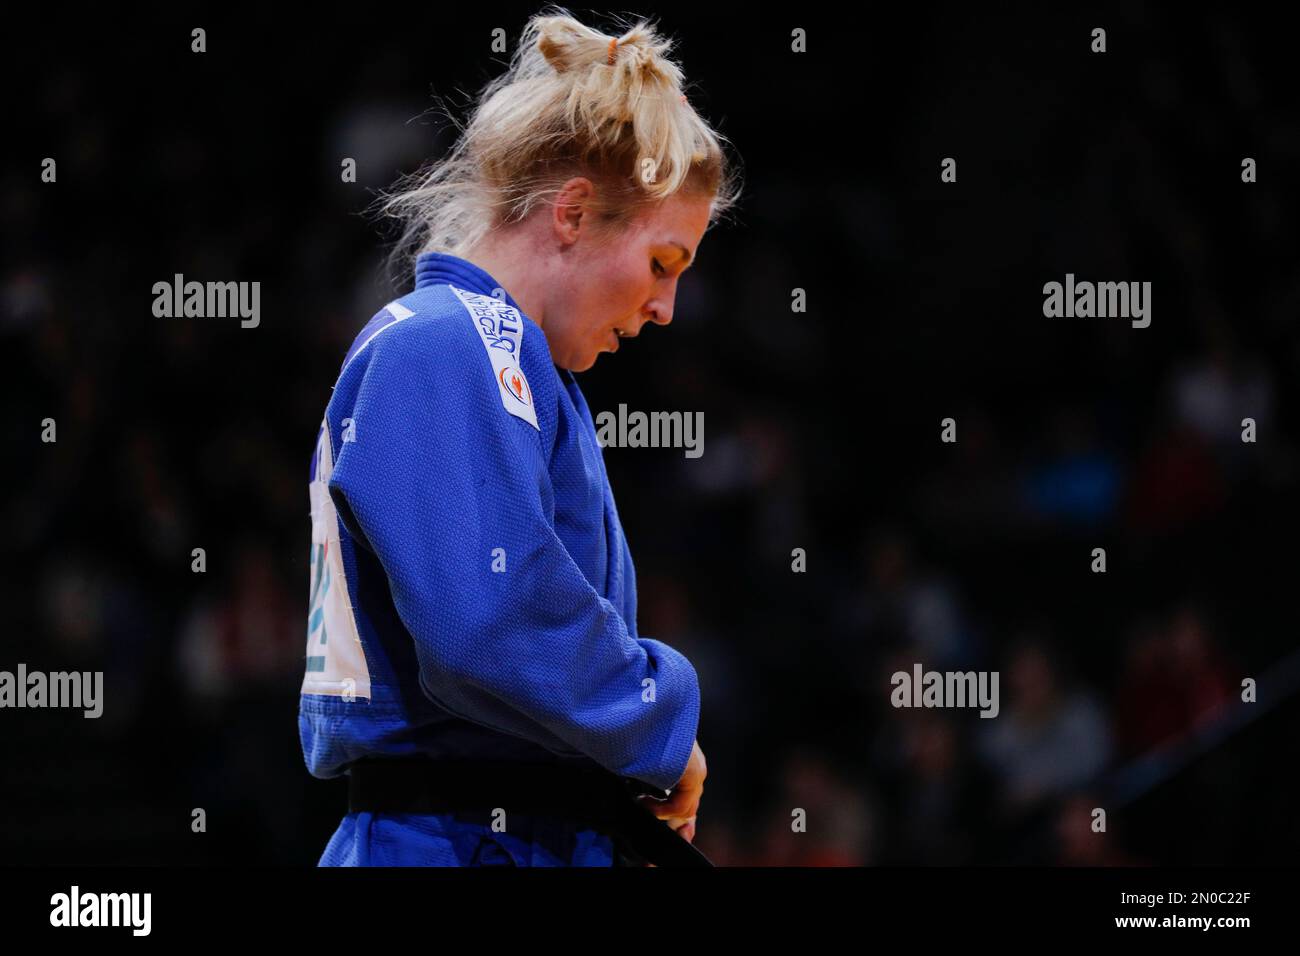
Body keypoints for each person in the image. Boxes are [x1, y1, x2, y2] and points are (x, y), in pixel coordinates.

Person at [299, 8, 741, 866]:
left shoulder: (525, 375)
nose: (664, 310)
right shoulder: (437, 342)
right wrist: (655, 715)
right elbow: (484, 624)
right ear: (574, 213)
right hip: (443, 837)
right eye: (662, 264)